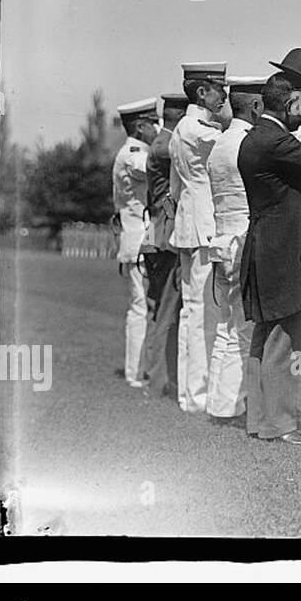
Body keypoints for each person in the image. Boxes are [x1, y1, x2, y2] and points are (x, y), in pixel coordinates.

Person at [238, 69, 301, 446]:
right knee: (284, 341)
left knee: (264, 338)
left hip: (265, 247)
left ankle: (261, 419)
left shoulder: (258, 136)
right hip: (283, 251)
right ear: (289, 103)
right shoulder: (276, 142)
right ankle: (282, 424)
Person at [204, 75, 266, 424]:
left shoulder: (221, 143)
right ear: (257, 106)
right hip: (243, 240)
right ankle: (243, 406)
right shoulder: (250, 144)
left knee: (227, 329)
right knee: (245, 331)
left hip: (221, 240)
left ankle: (221, 405)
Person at [169, 63, 227, 412]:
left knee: (192, 311)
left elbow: (176, 190)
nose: (225, 95)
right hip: (204, 228)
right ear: (202, 92)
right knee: (202, 312)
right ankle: (199, 392)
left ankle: (189, 394)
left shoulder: (182, 128)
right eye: (219, 89)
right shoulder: (200, 130)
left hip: (190, 225)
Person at [138, 94, 187, 398]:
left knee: (160, 310)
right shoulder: (166, 146)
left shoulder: (161, 143)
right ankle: (156, 382)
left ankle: (154, 378)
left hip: (157, 234)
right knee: (166, 311)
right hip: (165, 235)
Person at [112, 98, 156, 387]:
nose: (156, 128)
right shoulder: (133, 152)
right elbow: (150, 167)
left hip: (138, 240)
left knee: (144, 307)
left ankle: (139, 370)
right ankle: (134, 373)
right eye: (152, 122)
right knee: (141, 307)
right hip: (138, 241)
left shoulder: (132, 149)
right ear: (140, 126)